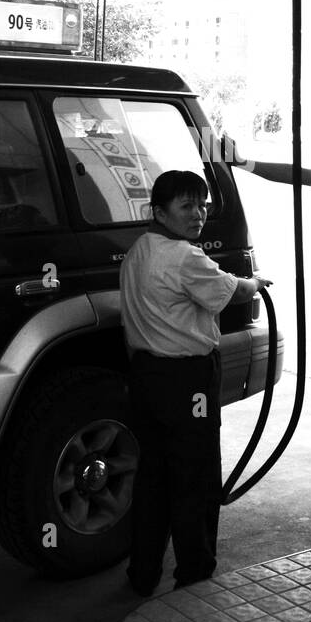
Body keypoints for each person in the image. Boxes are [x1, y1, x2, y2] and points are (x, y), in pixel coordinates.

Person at [120, 169, 271, 596]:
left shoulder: (139, 251)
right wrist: (256, 283)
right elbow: (232, 291)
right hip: (187, 381)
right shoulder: (184, 258)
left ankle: (142, 573)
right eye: (186, 206)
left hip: (146, 378)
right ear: (159, 211)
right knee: (195, 477)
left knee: (153, 478)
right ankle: (194, 572)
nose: (198, 214)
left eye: (202, 204)